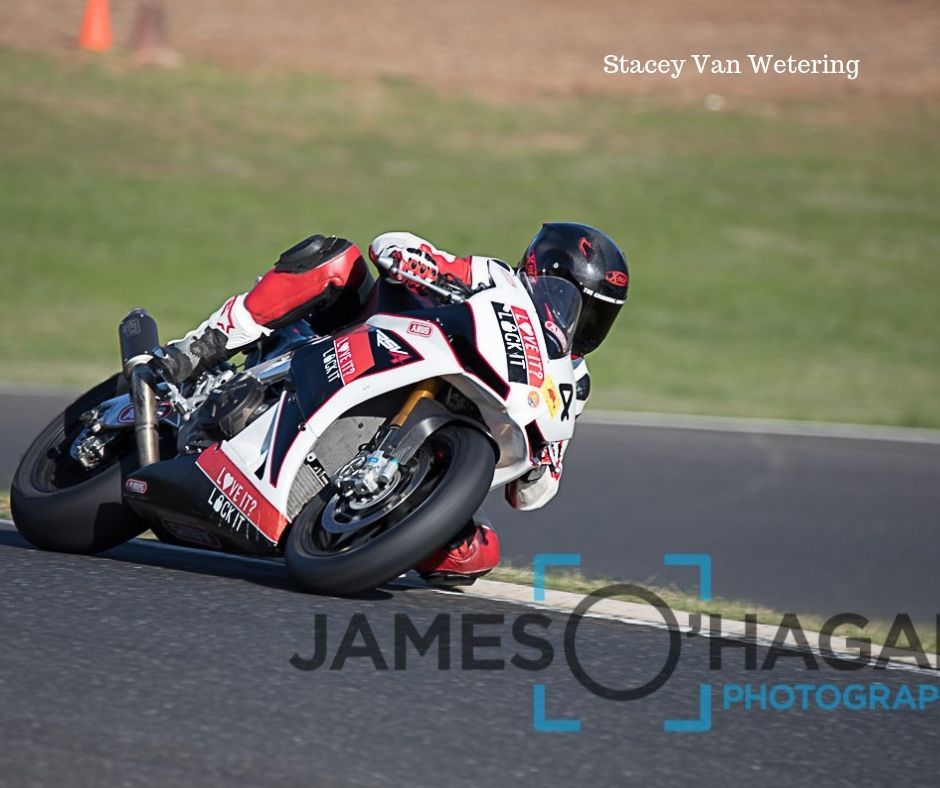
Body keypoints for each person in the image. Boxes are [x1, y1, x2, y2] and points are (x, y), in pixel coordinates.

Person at [151, 222, 629, 584]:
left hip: (435, 444)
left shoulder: (572, 383)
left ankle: (352, 521)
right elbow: (393, 245)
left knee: (474, 555)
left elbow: (530, 496)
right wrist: (419, 264)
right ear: (537, 273)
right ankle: (198, 348)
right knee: (334, 260)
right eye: (570, 300)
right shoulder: (495, 278)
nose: (577, 321)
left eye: (596, 315)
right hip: (366, 343)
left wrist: (542, 463)